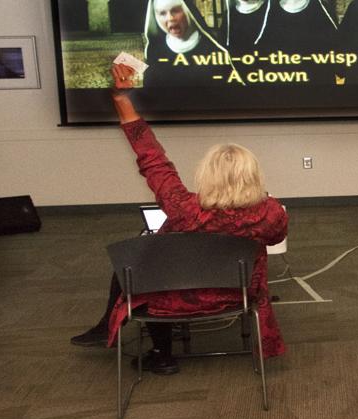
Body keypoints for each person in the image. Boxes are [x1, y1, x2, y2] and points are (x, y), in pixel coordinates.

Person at [70, 62, 289, 374]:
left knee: (141, 262)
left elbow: (151, 158)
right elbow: (277, 238)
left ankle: (161, 355)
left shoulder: (183, 207)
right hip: (236, 295)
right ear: (254, 176)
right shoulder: (269, 213)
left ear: (207, 175)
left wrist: (121, 99)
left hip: (173, 299)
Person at [140, 0, 231, 88]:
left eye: (175, 11)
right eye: (162, 13)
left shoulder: (214, 48)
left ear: (188, 11)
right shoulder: (154, 52)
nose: (170, 18)